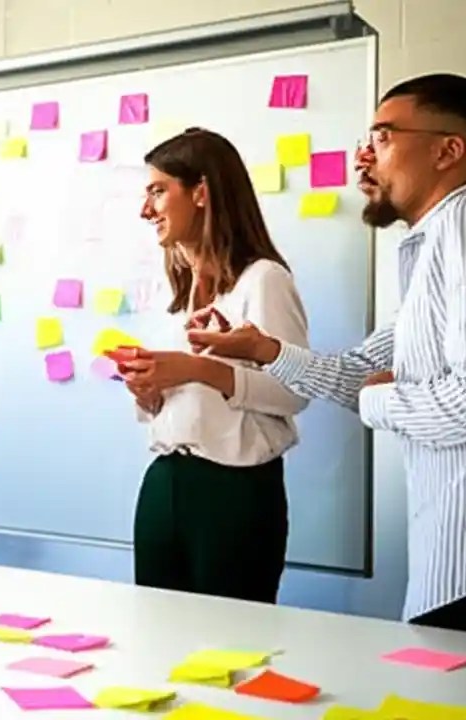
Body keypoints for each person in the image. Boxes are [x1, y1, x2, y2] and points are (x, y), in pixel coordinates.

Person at [187, 73, 466, 640]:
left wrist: (379, 398)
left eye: (384, 136)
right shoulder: (433, 248)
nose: (363, 156)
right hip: (458, 566)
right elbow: (354, 376)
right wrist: (263, 349)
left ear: (449, 150)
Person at [111, 128, 310, 604]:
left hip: (234, 493)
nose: (146, 210)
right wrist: (150, 391)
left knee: (230, 651)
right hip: (165, 482)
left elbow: (293, 391)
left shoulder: (264, 280)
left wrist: (195, 369)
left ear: (201, 192)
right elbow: (174, 401)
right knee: (159, 640)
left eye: (158, 191)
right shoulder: (172, 292)